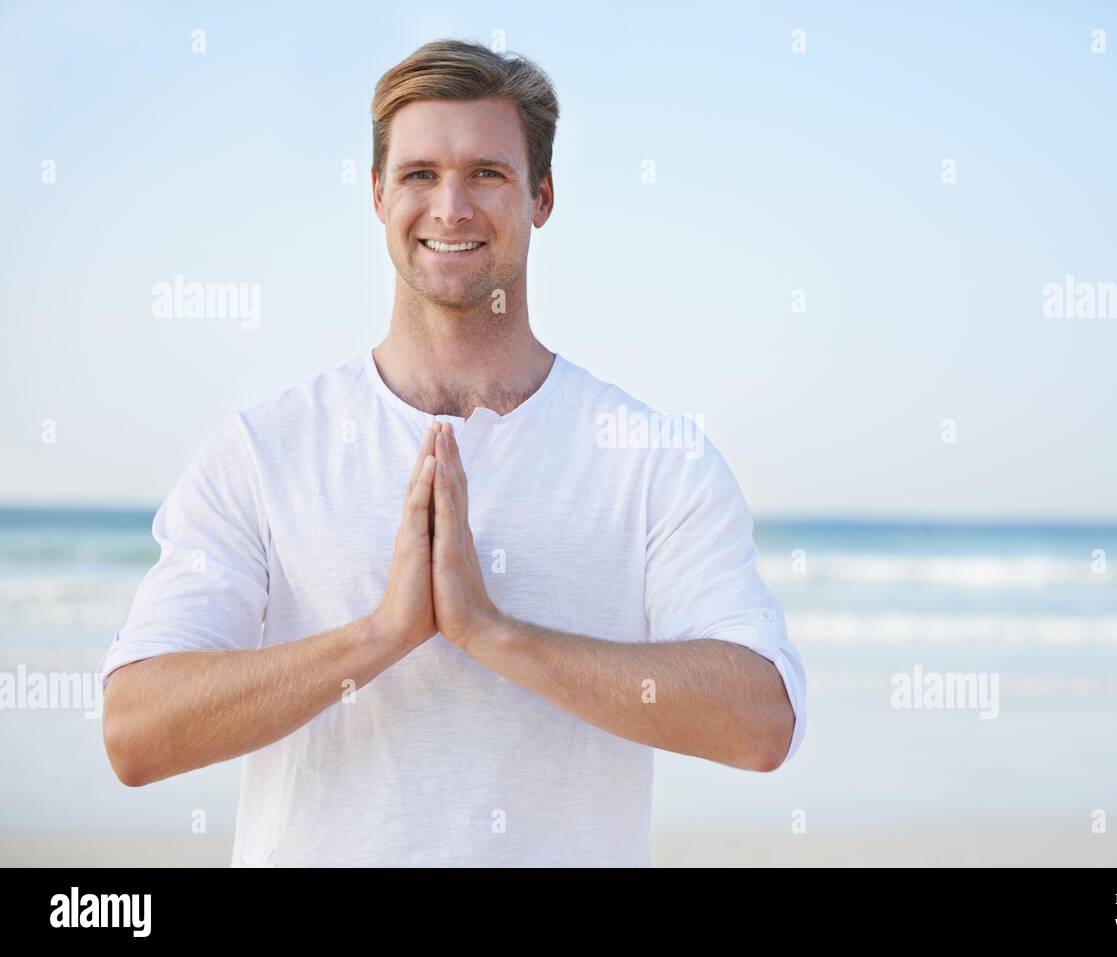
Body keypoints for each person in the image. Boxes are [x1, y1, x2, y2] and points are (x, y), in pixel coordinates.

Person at [99, 38, 806, 867]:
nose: (451, 207)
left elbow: (761, 720)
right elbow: (135, 732)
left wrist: (490, 632)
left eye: (488, 174)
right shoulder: (264, 450)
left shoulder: (653, 457)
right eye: (420, 174)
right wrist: (383, 634)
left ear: (542, 195)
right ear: (376, 194)